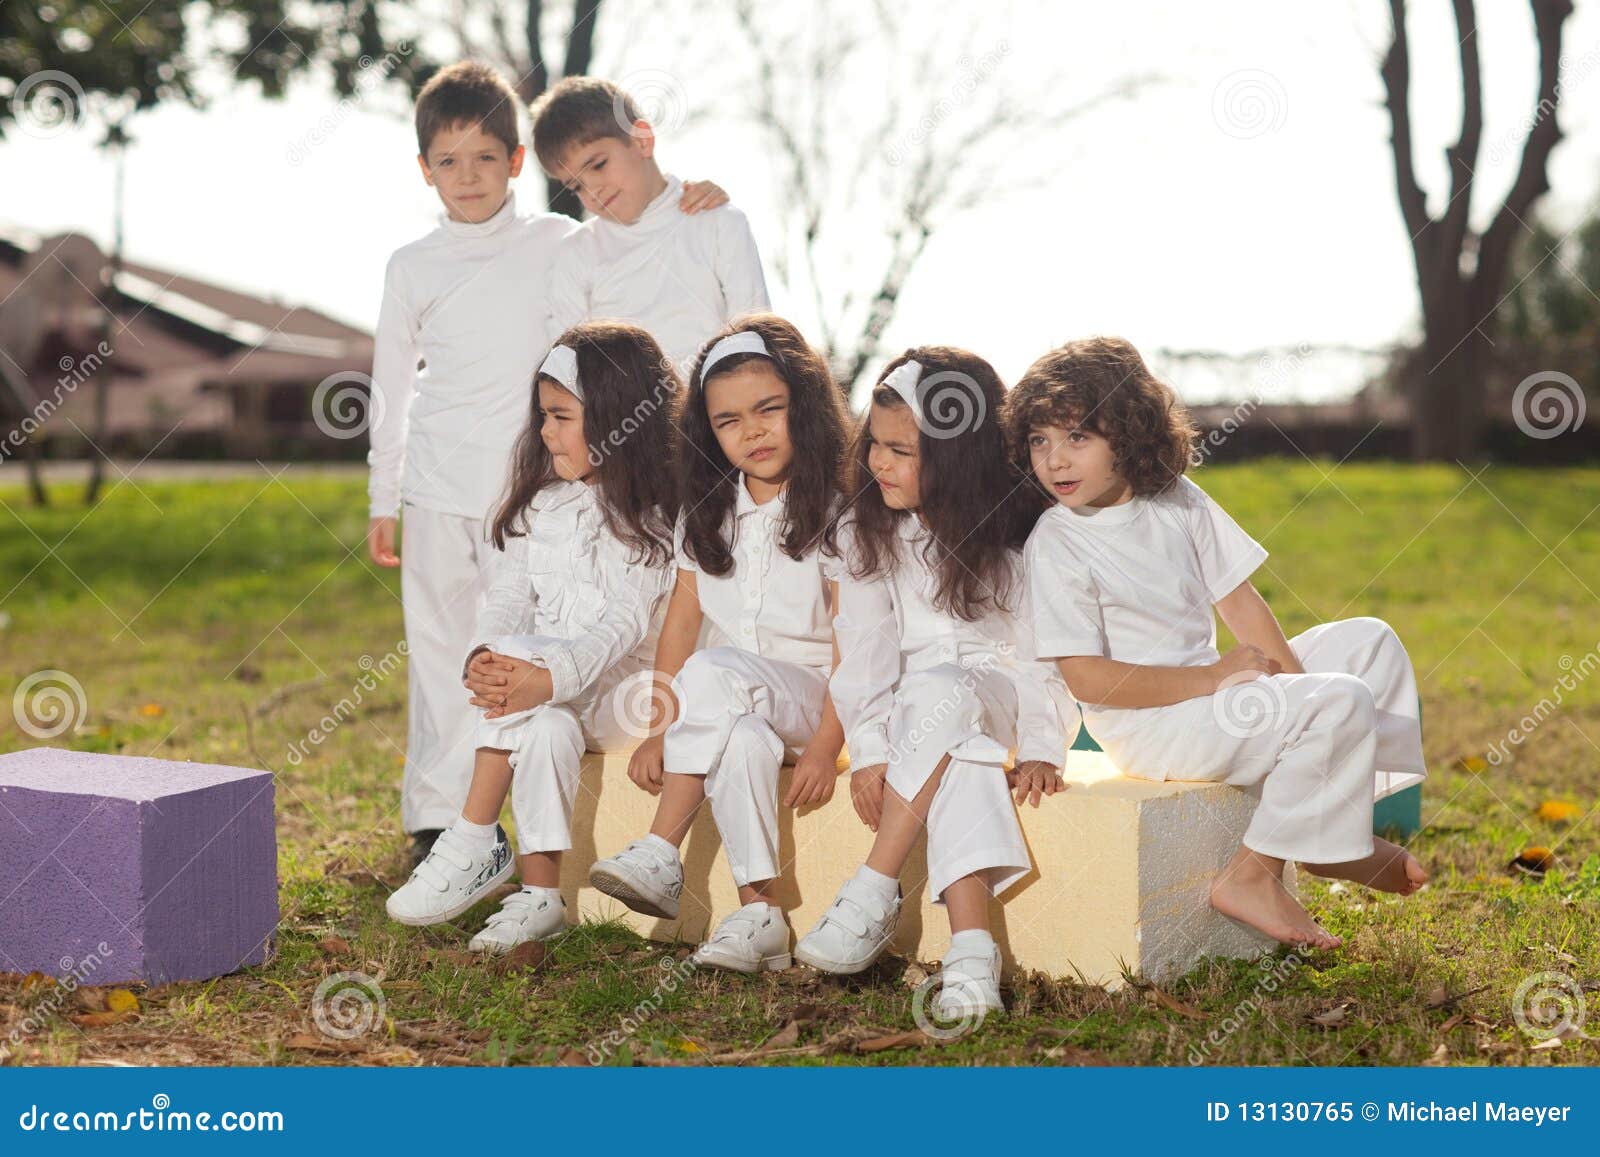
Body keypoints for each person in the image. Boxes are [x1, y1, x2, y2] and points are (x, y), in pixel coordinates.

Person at [1008, 336, 1428, 950]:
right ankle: (1252, 875)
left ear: (1128, 433)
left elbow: (1239, 602)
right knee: (1339, 700)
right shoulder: (1058, 540)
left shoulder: (1176, 498)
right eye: (1039, 440)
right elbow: (1087, 679)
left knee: (1370, 646)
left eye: (1077, 437)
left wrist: (1294, 691)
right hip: (1152, 725)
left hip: (1214, 692)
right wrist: (1219, 681)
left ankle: (1332, 835)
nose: (1056, 460)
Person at [385, 322, 678, 952]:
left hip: (626, 699)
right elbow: (510, 596)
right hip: (548, 695)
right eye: (543, 415)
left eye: (561, 416)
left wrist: (546, 675)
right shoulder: (543, 504)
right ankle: (542, 897)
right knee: (544, 728)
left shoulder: (653, 520)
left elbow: (621, 624)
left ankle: (472, 834)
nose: (546, 431)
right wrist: (486, 655)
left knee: (534, 679)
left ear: (616, 418)